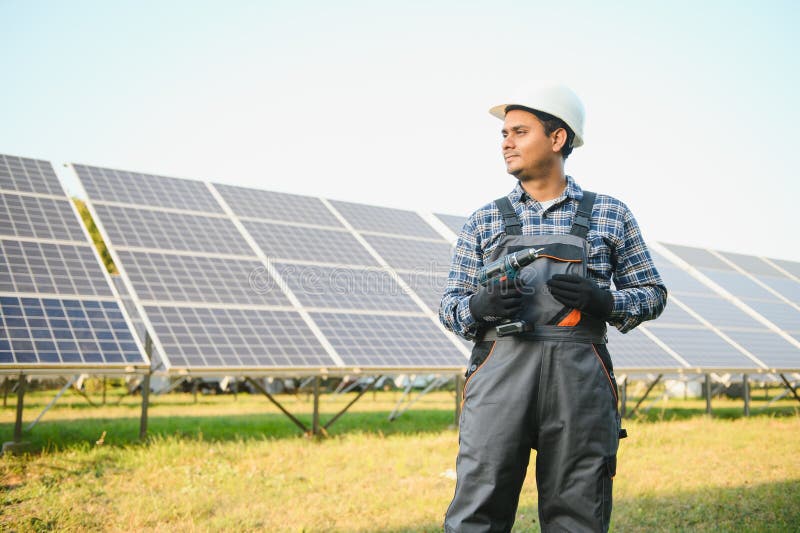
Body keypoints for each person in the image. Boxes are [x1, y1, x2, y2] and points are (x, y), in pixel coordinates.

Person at [439, 83, 667, 532]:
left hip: (579, 381)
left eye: (519, 132)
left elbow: (653, 294)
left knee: (578, 512)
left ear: (558, 138)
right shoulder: (484, 220)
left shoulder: (610, 214)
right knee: (477, 511)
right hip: (499, 375)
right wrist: (481, 306)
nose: (506, 142)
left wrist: (606, 302)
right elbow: (451, 305)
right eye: (504, 133)